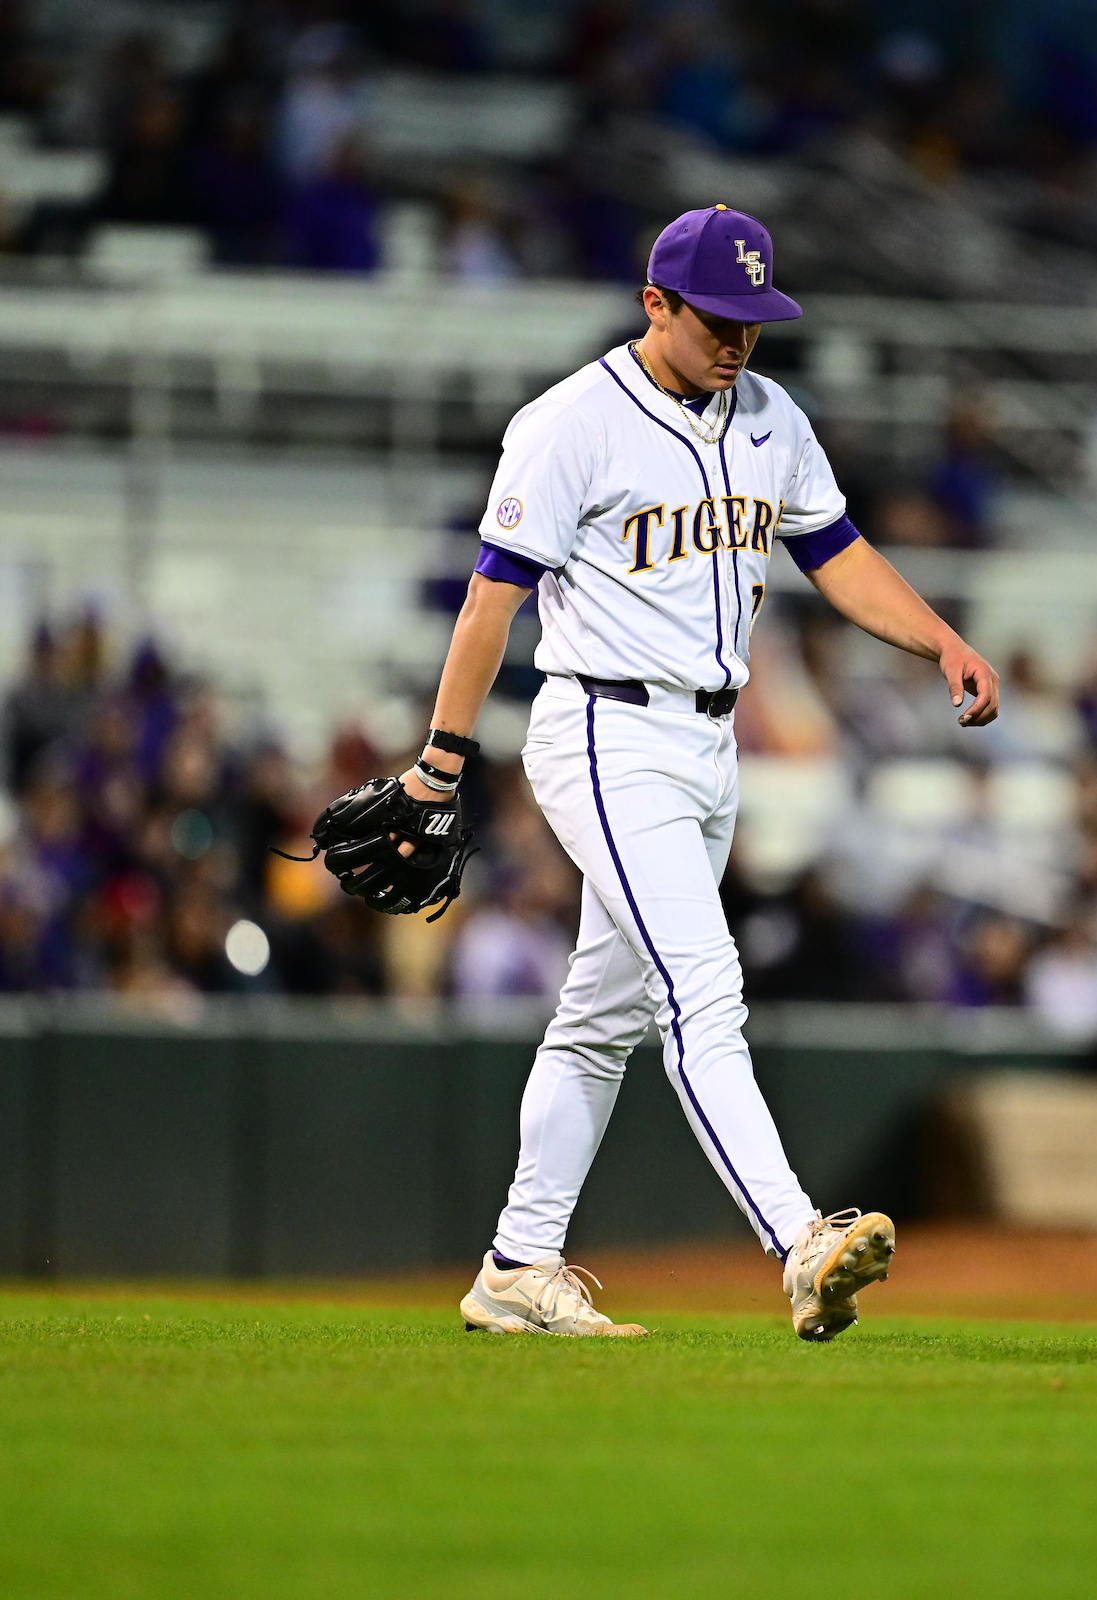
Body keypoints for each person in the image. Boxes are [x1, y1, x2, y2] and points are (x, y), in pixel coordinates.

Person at [411, 205, 999, 1338]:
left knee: (603, 1013)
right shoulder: (572, 420)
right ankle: (800, 1241)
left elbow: (837, 553)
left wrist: (942, 640)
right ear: (656, 304)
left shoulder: (772, 416)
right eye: (715, 317)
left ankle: (516, 1264)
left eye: (753, 319)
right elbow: (494, 595)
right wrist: (441, 759)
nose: (737, 339)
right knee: (702, 984)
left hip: (711, 743)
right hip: (604, 730)